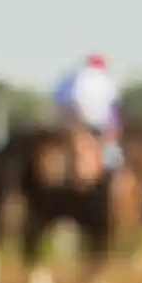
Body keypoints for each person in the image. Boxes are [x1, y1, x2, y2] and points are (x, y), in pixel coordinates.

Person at [51, 54, 121, 185]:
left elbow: (65, 101)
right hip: (99, 126)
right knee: (113, 157)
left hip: (78, 123)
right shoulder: (108, 81)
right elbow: (113, 110)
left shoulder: (78, 77)